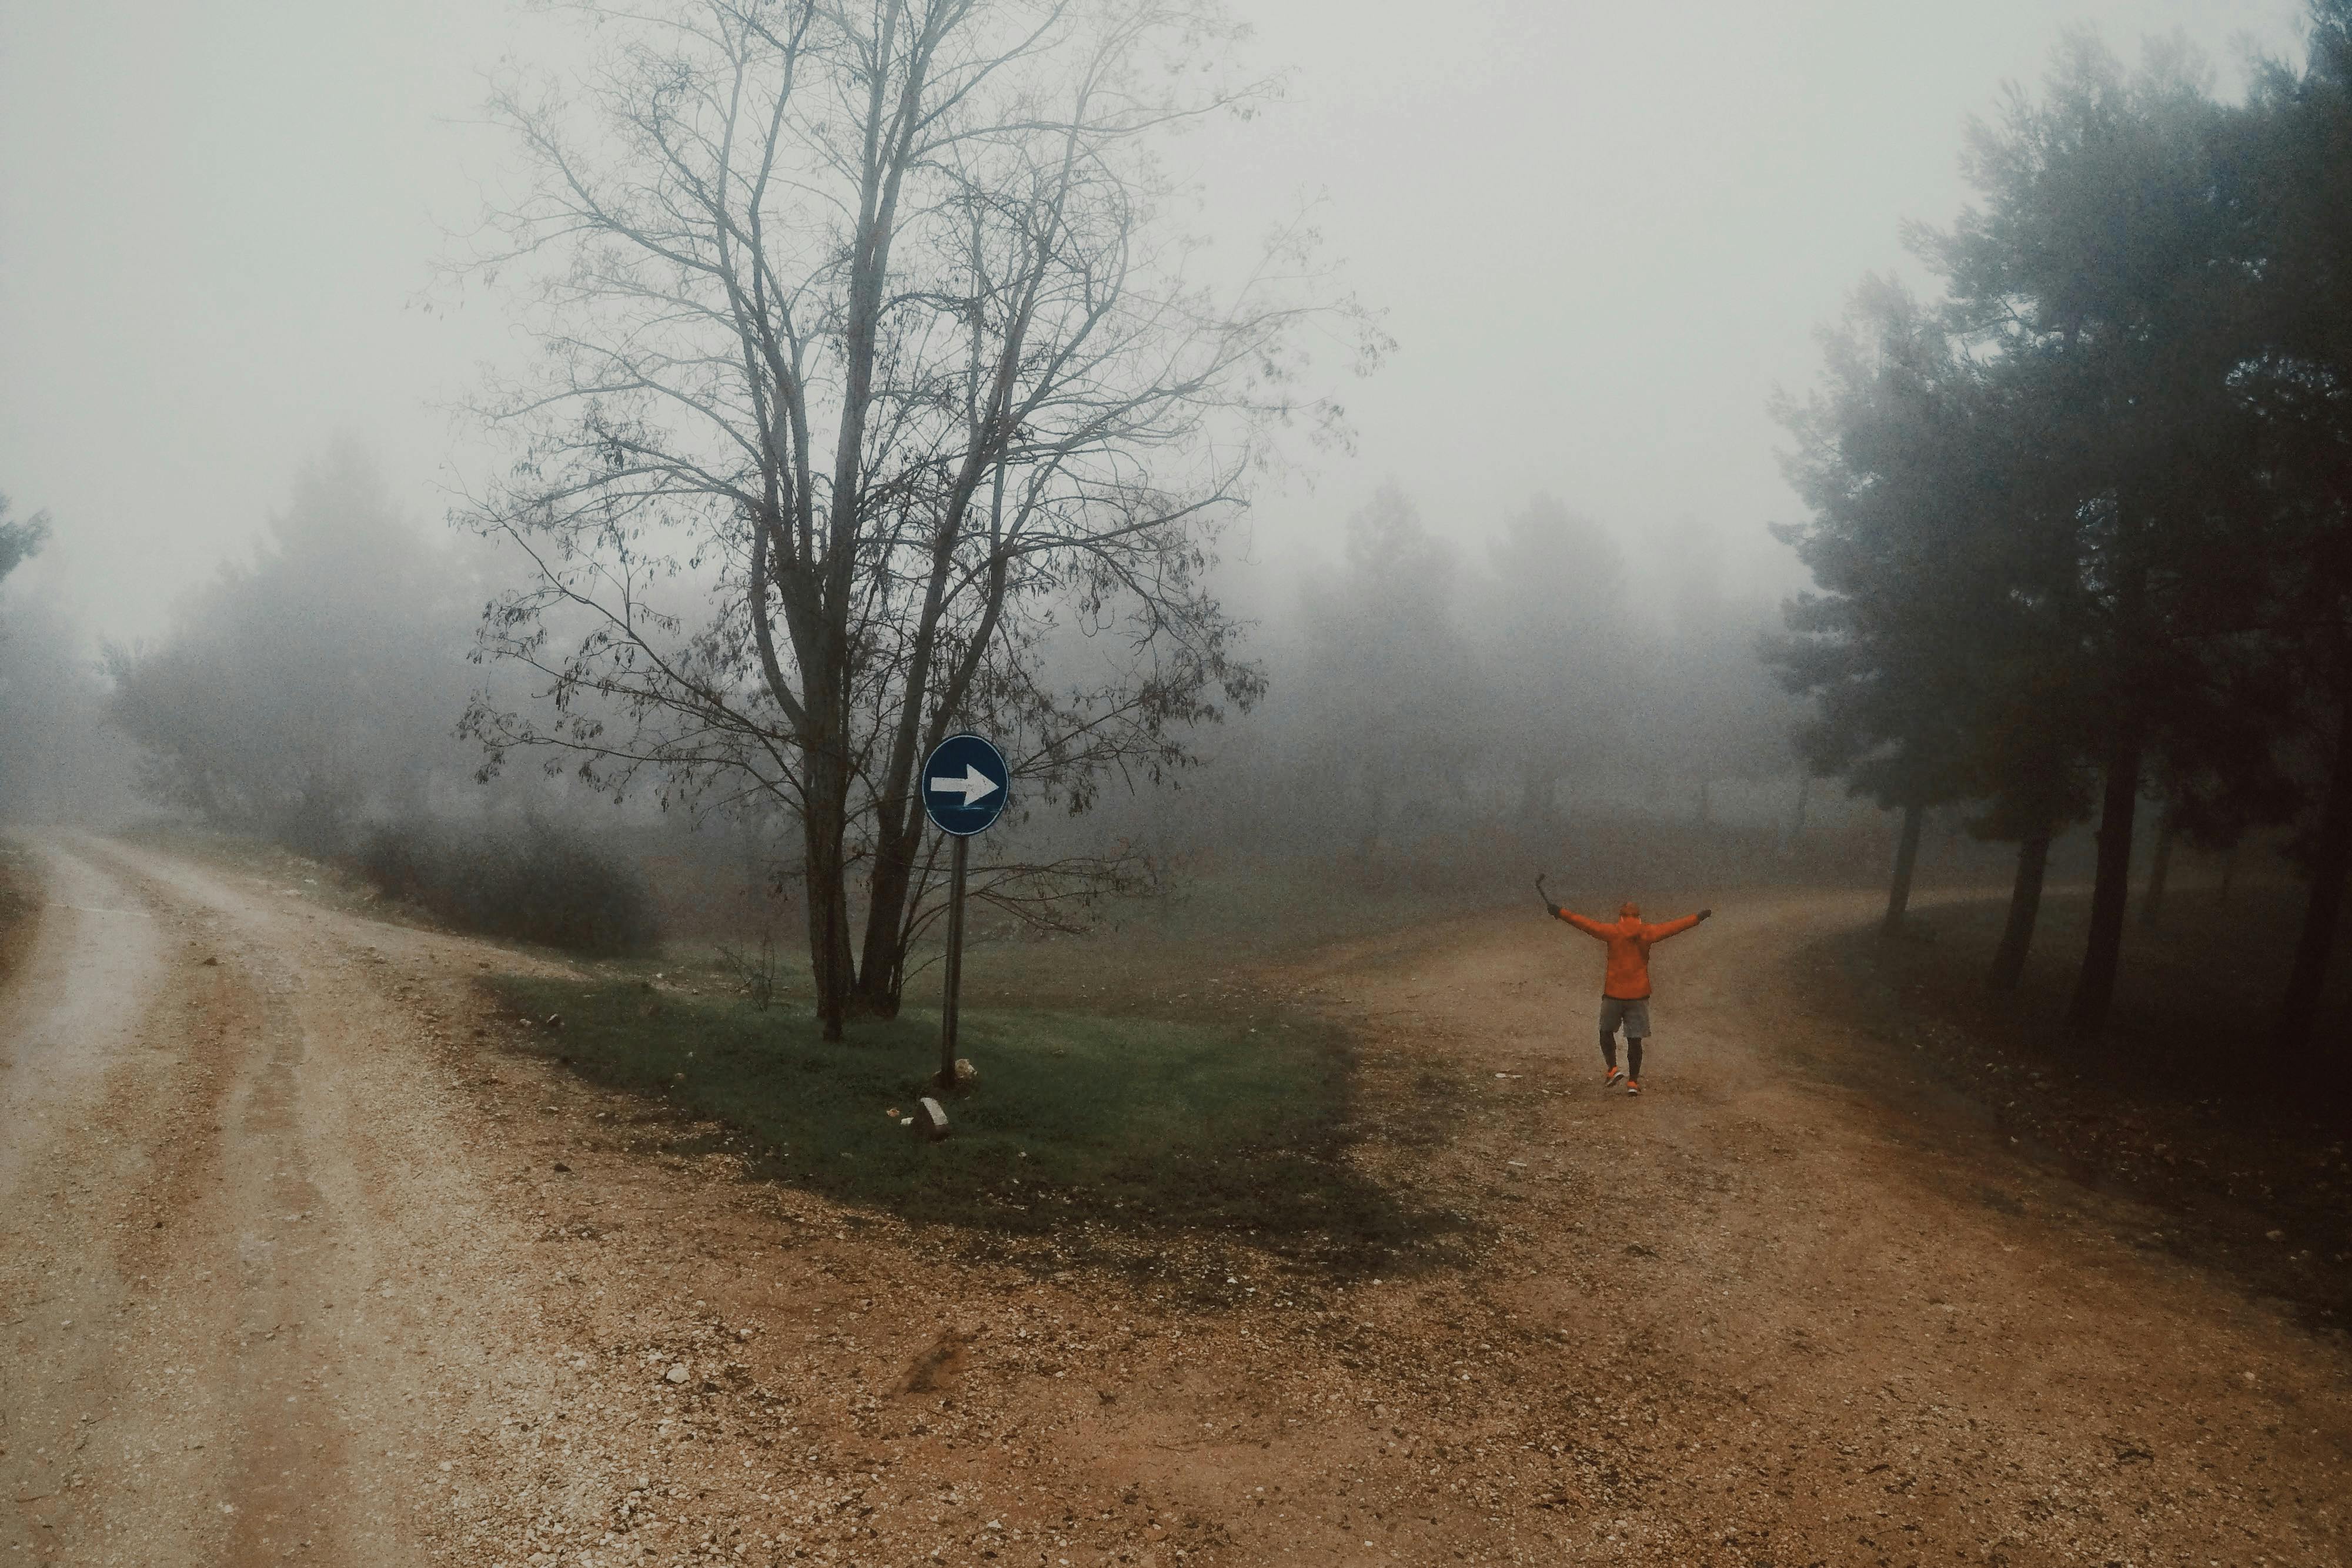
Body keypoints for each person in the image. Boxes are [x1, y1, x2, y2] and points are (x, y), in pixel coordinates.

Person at [1543, 898, 1712, 1095]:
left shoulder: (1612, 932)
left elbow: (1584, 923)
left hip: (1613, 994)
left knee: (1606, 1032)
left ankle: (1613, 1069)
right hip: (1638, 996)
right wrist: (1698, 918)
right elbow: (1675, 927)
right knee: (1635, 1040)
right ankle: (1633, 1082)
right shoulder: (1648, 932)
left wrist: (1560, 912)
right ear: (1638, 918)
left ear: (1621, 917)